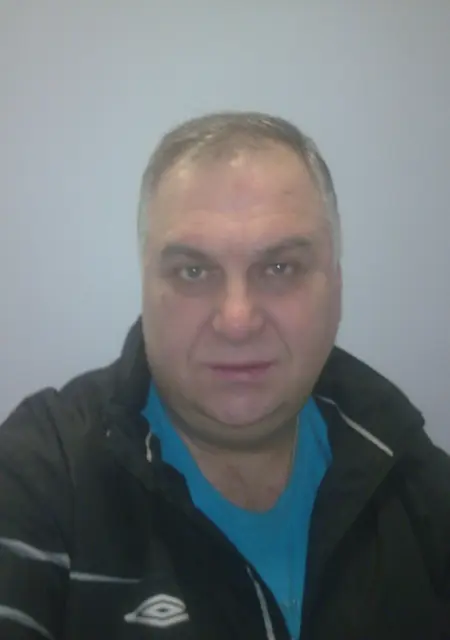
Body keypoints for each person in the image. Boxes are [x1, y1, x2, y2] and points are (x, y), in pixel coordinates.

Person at [0, 111, 449, 640]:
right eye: (193, 271)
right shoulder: (44, 474)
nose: (237, 321)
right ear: (146, 287)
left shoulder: (415, 480)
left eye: (280, 268)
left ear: (336, 287)